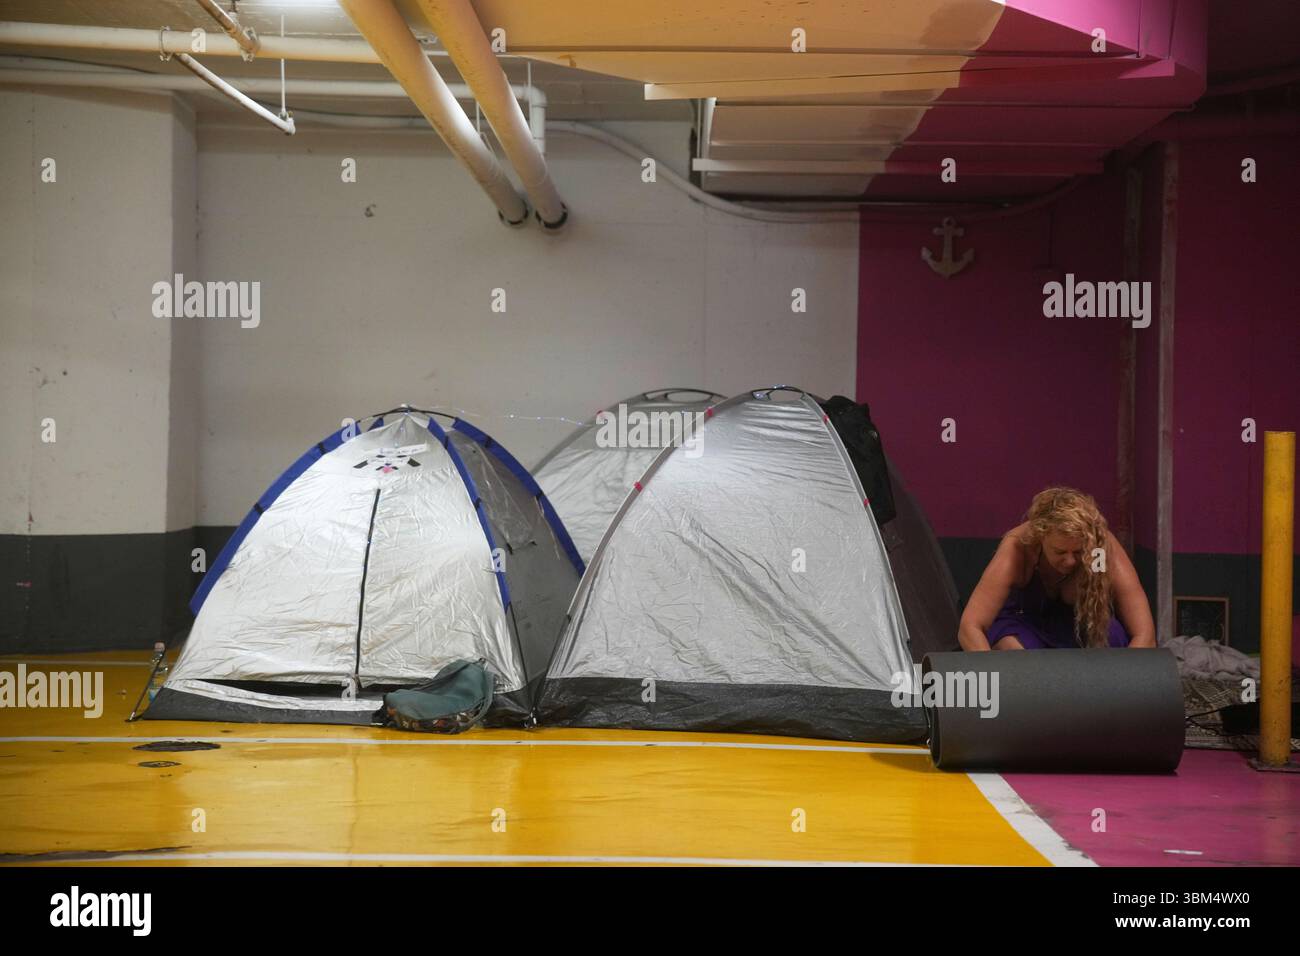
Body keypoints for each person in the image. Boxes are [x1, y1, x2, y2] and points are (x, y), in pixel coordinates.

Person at [958, 487, 1156, 651]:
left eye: (1078, 552)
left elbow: (1145, 635)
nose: (1070, 561)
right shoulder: (1018, 548)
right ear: (1040, 537)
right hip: (1025, 622)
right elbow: (970, 626)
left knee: (1112, 642)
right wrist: (991, 680)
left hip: (1080, 624)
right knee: (1011, 649)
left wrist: (1124, 682)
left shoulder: (1101, 547)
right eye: (1060, 552)